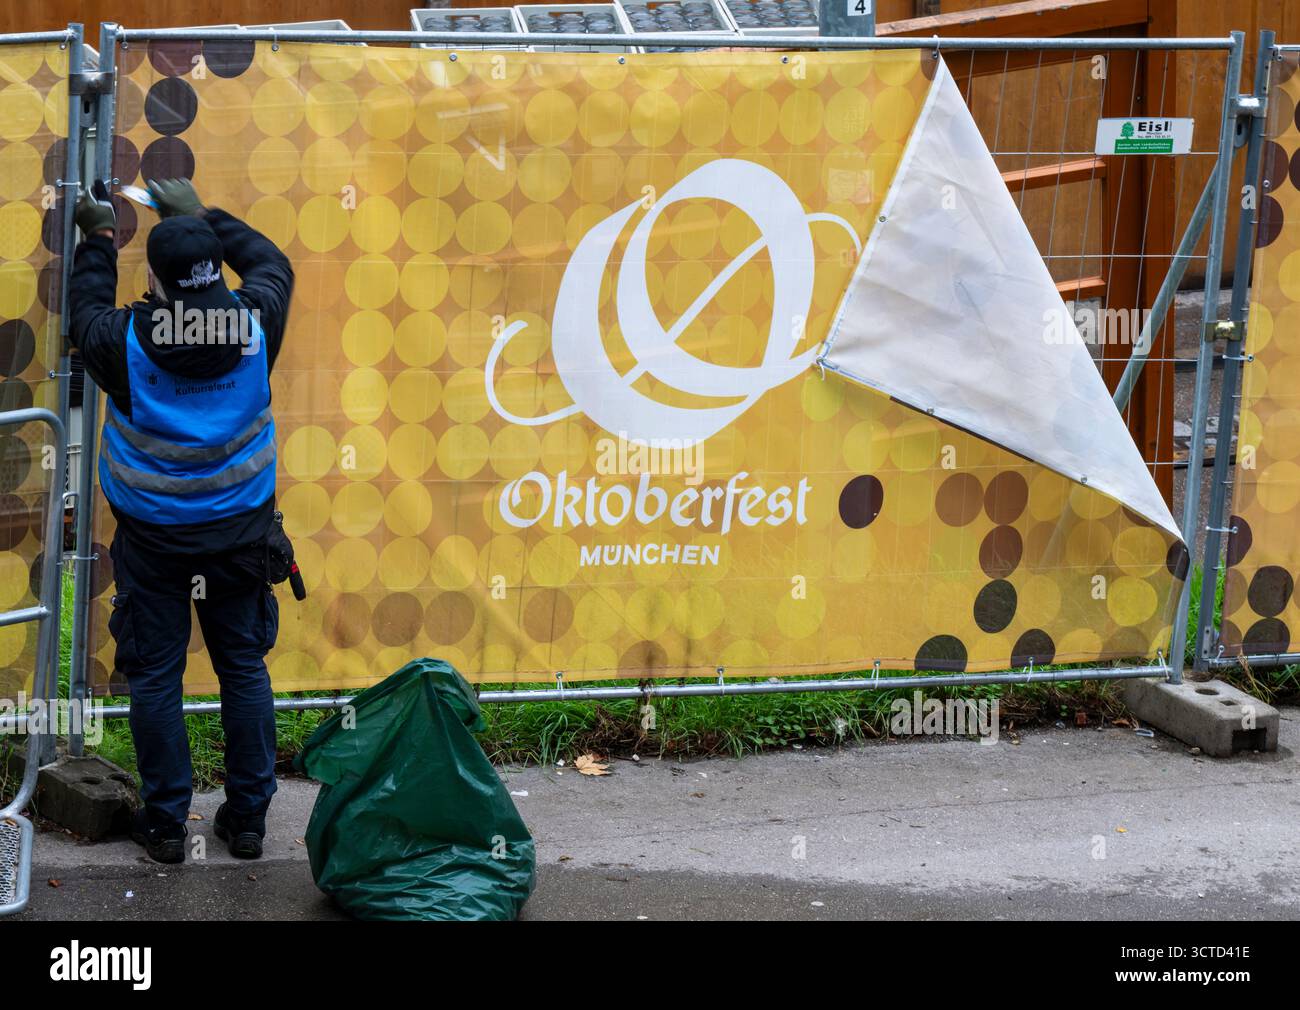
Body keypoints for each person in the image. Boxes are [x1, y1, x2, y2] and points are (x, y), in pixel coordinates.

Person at [70, 179, 294, 864]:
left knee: (158, 678)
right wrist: (203, 218)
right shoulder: (257, 321)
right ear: (216, 272)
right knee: (243, 669)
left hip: (155, 544)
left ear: (157, 277)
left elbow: (83, 311)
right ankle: (248, 820)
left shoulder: (122, 342)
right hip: (241, 540)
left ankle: (167, 826)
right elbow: (271, 265)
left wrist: (97, 241)